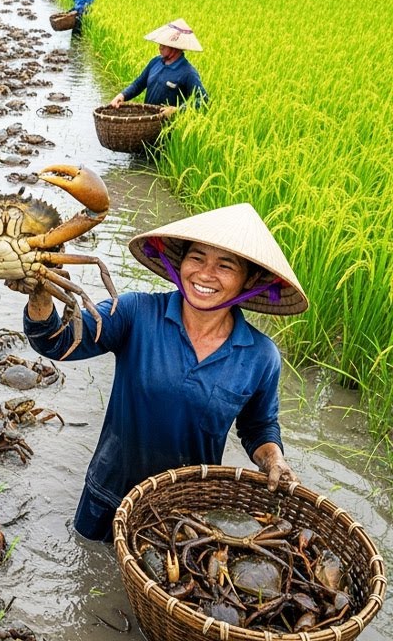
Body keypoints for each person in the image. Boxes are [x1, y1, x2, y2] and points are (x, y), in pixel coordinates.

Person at [17, 203, 307, 542]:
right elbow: (57, 343)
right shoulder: (136, 312)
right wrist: (40, 292)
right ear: (180, 262)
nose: (205, 274)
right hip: (107, 495)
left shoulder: (260, 355)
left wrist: (274, 460)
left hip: (184, 514)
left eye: (225, 265)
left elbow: (258, 427)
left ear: (250, 280)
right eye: (197, 258)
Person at [110, 18, 208, 118]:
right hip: (147, 121)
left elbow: (203, 100)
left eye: (164, 44)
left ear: (175, 47)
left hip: (168, 127)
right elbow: (139, 84)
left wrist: (177, 110)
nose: (160, 47)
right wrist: (122, 95)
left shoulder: (188, 72)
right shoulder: (156, 62)